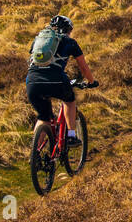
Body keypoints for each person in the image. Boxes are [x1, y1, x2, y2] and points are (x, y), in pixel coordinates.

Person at [25, 15, 97, 146]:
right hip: (56, 79)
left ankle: (34, 154)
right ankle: (70, 136)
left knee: (43, 117)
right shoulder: (70, 42)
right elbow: (83, 67)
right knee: (69, 101)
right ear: (68, 30)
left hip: (32, 81)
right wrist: (92, 82)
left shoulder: (38, 41)